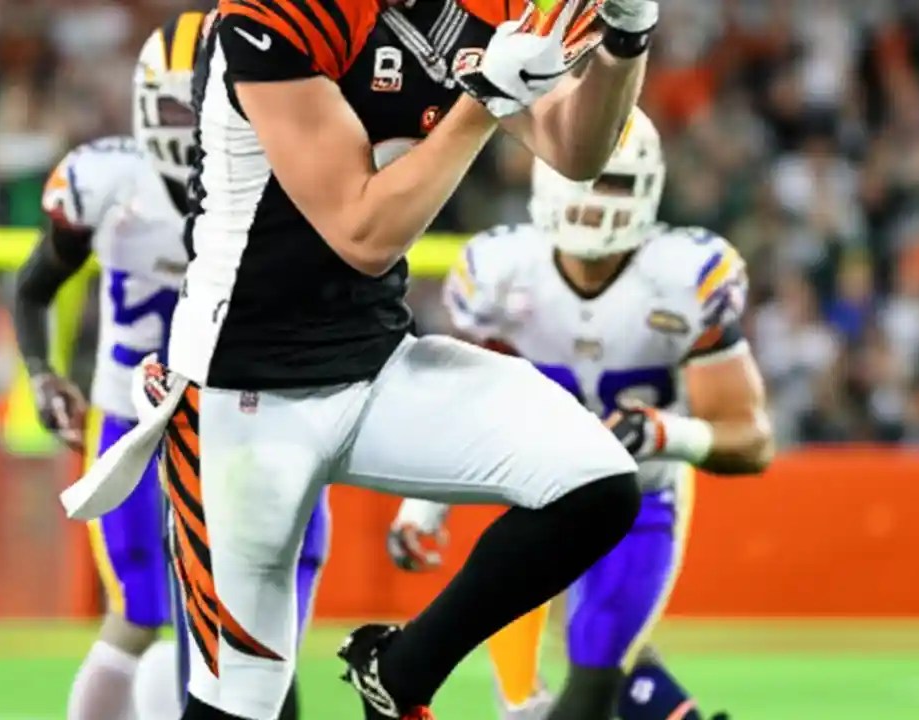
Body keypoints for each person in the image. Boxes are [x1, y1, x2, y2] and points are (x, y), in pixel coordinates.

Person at [60, 0, 662, 716]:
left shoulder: (467, 8)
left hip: (376, 366)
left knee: (595, 484)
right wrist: (485, 101)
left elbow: (577, 151)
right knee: (239, 706)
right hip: (241, 396)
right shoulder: (275, 15)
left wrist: (626, 42)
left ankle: (400, 672)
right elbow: (362, 231)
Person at [388, 109, 772, 720]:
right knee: (524, 707)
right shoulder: (502, 272)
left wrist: (663, 432)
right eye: (585, 176)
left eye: (614, 181)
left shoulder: (681, 277)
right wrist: (427, 501)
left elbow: (751, 441)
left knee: (588, 691)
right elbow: (467, 404)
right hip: (535, 503)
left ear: (649, 189)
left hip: (641, 500)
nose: (594, 199)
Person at [15, 11, 328, 720]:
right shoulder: (107, 181)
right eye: (173, 103)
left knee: (251, 619)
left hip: (239, 421)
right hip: (131, 423)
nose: (187, 123)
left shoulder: (278, 173)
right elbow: (36, 286)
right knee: (139, 609)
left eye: (199, 102)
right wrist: (41, 370)